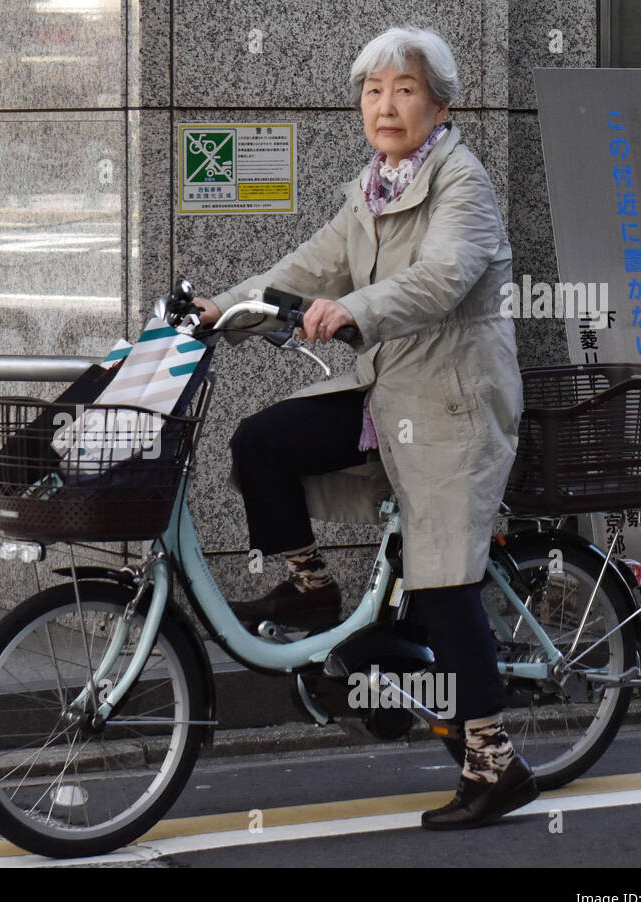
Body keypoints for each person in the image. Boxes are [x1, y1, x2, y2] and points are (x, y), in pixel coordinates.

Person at [192, 25, 535, 830]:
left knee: (444, 582)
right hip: (388, 398)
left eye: (405, 90)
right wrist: (220, 311)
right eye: (373, 91)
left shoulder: (464, 182)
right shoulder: (373, 188)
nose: (386, 106)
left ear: (439, 103)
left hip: (450, 406)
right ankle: (313, 591)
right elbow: (305, 268)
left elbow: (443, 277)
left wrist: (355, 309)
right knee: (261, 442)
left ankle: (497, 763)